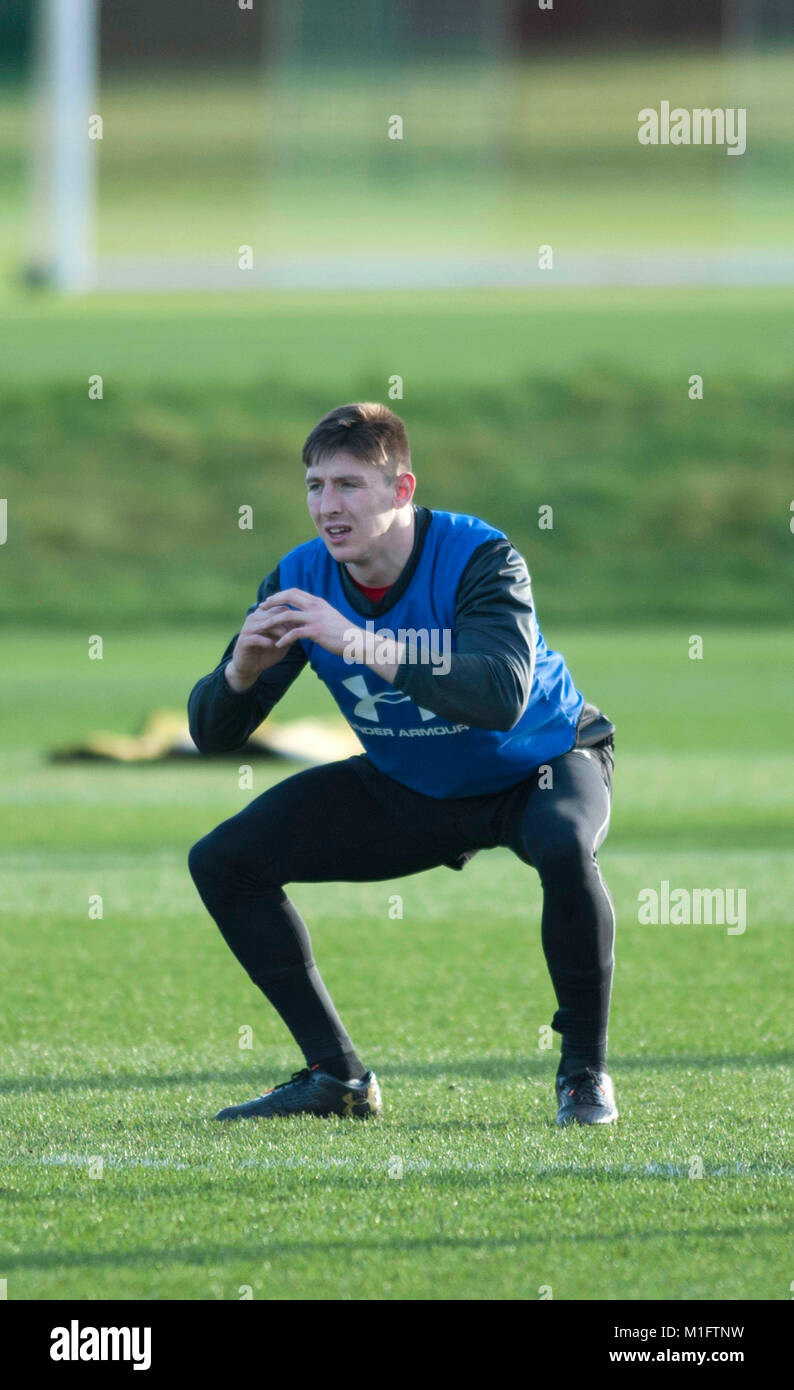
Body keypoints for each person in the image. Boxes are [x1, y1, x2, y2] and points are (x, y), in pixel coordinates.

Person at [187, 402, 618, 1126]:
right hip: (413, 782)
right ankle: (337, 1079)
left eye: (350, 485)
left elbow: (499, 694)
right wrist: (238, 672)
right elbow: (213, 735)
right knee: (223, 861)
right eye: (315, 485)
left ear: (402, 490)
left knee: (563, 843)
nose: (329, 505)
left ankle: (584, 1077)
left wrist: (358, 642)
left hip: (540, 763)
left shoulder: (481, 557)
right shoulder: (300, 576)